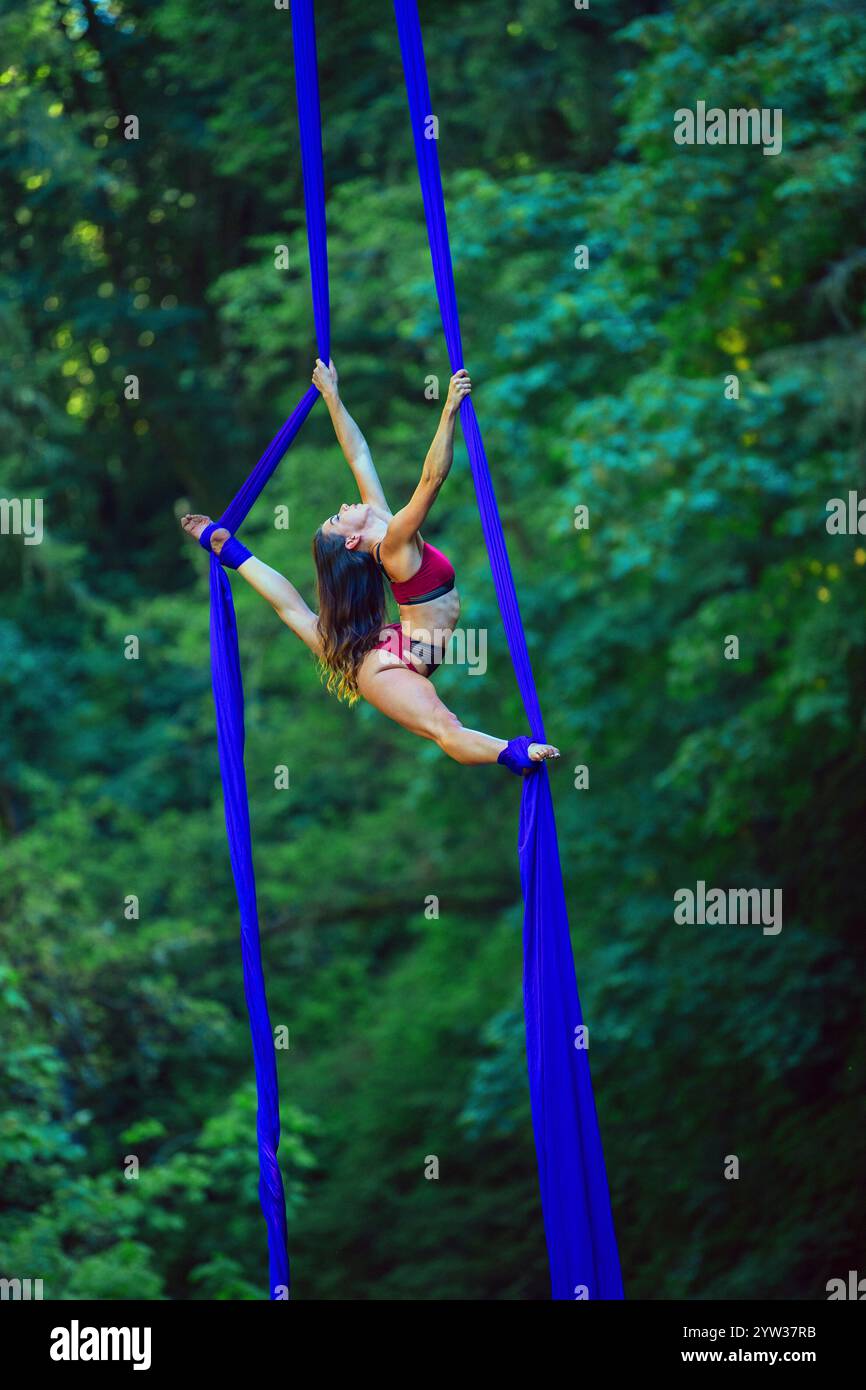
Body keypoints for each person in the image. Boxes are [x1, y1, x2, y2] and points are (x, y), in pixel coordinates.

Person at [181, 359, 558, 773]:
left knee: (301, 618)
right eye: (337, 518)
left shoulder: (379, 519)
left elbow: (358, 454)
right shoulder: (394, 545)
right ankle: (513, 752)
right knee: (443, 726)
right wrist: (448, 410)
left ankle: (231, 551)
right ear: (353, 541)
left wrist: (332, 397)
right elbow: (431, 480)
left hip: (394, 638)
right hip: (395, 662)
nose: (343, 506)